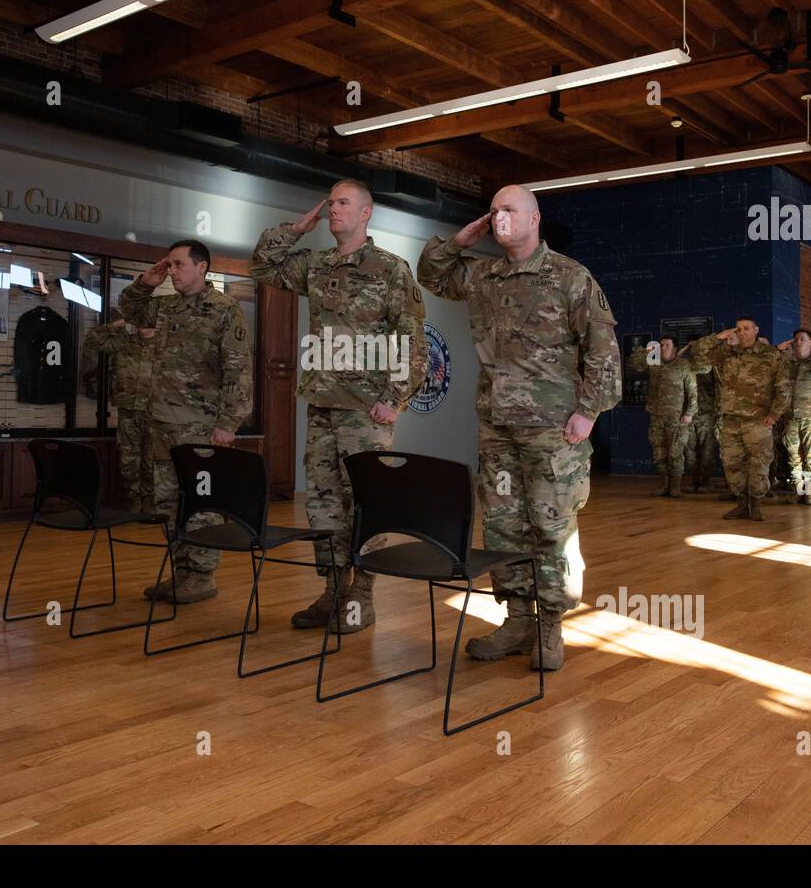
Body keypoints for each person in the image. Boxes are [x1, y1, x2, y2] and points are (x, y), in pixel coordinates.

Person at [418, 185, 621, 672]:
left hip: (554, 430)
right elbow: (432, 275)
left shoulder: (570, 276)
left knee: (551, 526)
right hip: (497, 425)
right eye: (493, 212)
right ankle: (516, 619)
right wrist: (459, 240)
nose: (499, 218)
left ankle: (550, 624)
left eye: (509, 210)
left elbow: (603, 350)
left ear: (535, 218)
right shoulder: (483, 275)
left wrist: (588, 411)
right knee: (503, 525)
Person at [250, 179, 426, 633]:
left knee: (367, 501)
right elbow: (263, 266)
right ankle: (332, 591)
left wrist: (395, 399)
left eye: (343, 203)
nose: (333, 210)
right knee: (323, 507)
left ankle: (361, 597)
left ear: (366, 212)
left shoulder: (390, 268)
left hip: (367, 411)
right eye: (329, 203)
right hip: (323, 406)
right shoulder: (316, 263)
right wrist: (297, 227)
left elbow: (413, 339)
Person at [119, 239, 254, 603]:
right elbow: (131, 310)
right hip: (162, 423)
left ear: (202, 268)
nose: (173, 272)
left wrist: (229, 423)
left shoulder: (224, 310)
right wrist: (147, 281)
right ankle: (181, 572)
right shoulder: (166, 307)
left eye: (179, 265)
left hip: (201, 427)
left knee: (201, 505)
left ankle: (202, 575)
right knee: (167, 504)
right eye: (170, 265)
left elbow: (238, 371)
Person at [690, 319, 787, 521]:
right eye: (738, 329)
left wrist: (774, 415)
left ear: (756, 330)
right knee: (732, 465)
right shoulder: (725, 353)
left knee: (758, 465)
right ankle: (742, 504)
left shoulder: (770, 355)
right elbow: (698, 353)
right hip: (730, 420)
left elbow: (784, 388)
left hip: (758, 420)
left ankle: (756, 504)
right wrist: (719, 337)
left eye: (746, 329)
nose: (742, 332)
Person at [83, 310, 156, 513]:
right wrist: (115, 325)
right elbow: (93, 341)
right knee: (129, 456)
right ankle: (135, 497)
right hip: (128, 410)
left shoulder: (166, 346)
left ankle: (150, 499)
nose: (144, 323)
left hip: (155, 411)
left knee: (153, 457)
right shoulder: (125, 342)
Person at [626, 335, 696, 498]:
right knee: (659, 452)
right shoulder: (654, 363)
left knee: (676, 452)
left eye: (666, 345)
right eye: (661, 344)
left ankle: (675, 487)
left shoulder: (684, 366)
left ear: (675, 348)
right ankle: (664, 485)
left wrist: (689, 413)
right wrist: (645, 351)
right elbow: (633, 364)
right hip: (656, 415)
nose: (662, 347)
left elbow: (692, 392)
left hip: (676, 417)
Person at [775, 328, 811, 504]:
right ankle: (798, 490)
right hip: (790, 417)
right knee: (793, 456)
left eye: (802, 339)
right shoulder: (786, 363)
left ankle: (809, 492)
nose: (798, 342)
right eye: (796, 339)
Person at [681, 338, 720, 493]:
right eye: (692, 346)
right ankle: (693, 481)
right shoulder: (684, 365)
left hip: (707, 412)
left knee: (707, 450)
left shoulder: (711, 364)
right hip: (689, 413)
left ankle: (704, 481)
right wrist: (684, 348)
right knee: (689, 450)